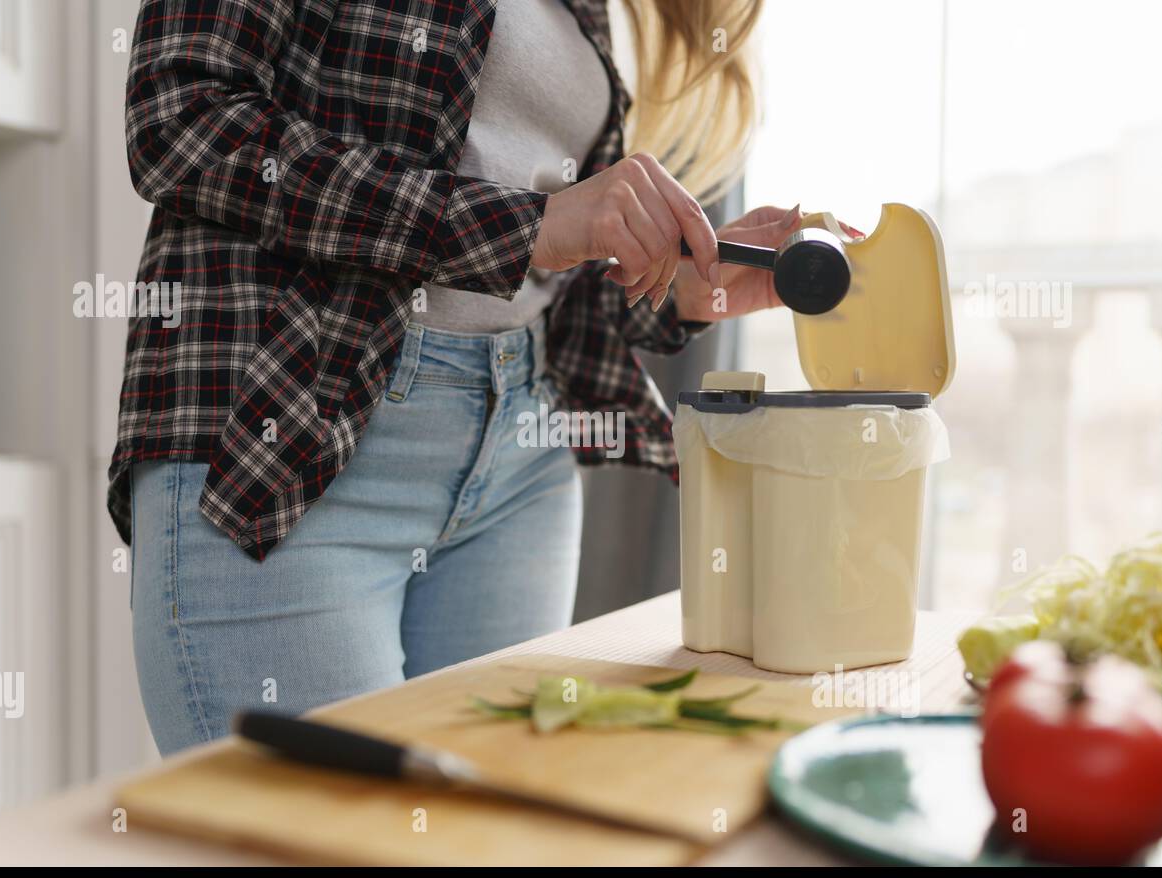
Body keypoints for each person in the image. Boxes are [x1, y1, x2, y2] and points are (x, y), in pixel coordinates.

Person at [110, 0, 798, 755]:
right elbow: (181, 121)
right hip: (286, 441)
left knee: (488, 831)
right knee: (322, 837)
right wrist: (528, 226)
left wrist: (682, 288)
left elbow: (525, 267)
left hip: (519, 466)